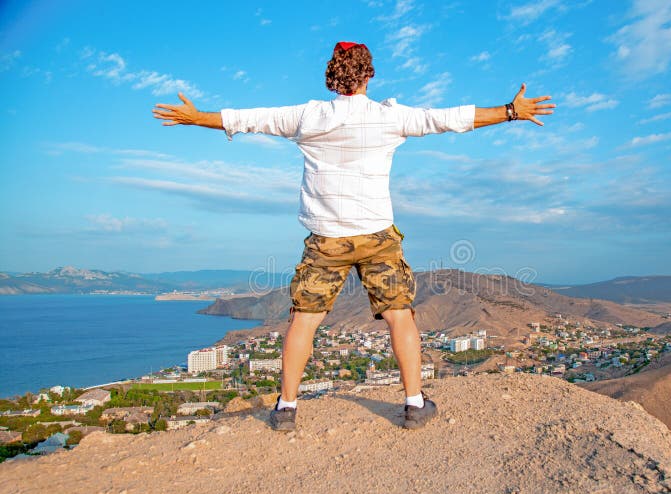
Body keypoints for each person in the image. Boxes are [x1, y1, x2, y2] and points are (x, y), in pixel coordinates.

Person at [152, 41, 555, 431]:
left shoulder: (308, 117)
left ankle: (287, 408)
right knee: (400, 315)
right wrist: (509, 111)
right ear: (369, 75)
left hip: (326, 240)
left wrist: (197, 116)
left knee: (303, 321)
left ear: (331, 77)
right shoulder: (389, 118)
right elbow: (449, 118)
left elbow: (247, 118)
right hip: (378, 237)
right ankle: (414, 403)